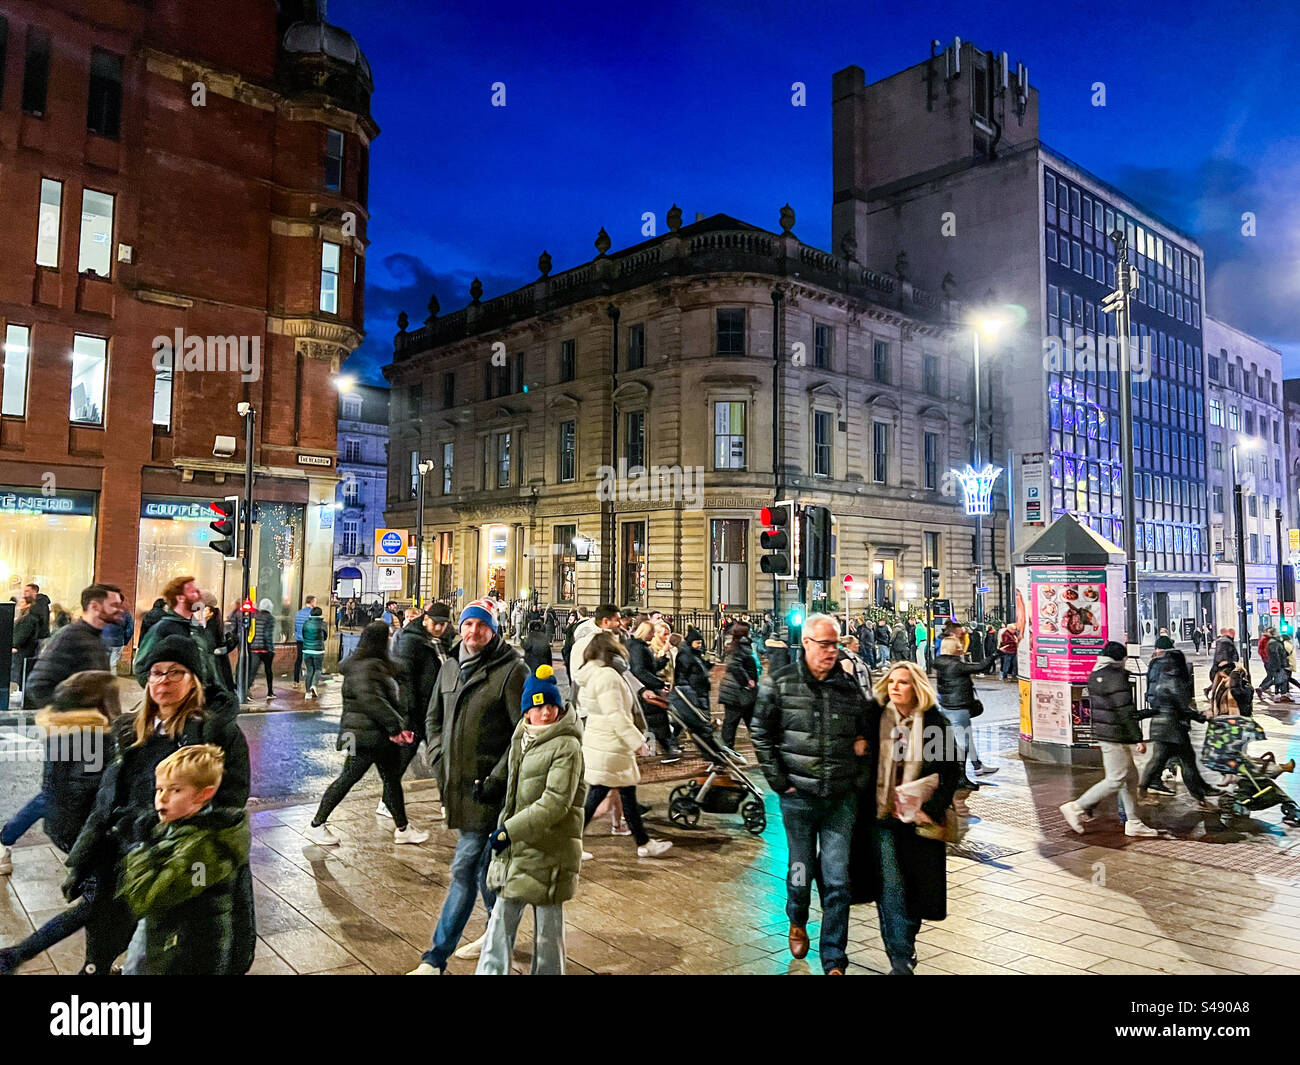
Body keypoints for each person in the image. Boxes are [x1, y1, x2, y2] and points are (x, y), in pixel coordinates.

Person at [63, 634, 253, 976]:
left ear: (194, 679)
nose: (163, 680)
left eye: (175, 672)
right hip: (125, 858)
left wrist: (152, 822)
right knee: (101, 953)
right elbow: (106, 798)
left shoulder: (215, 734)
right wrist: (83, 855)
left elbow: (229, 803)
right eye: (156, 672)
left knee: (166, 956)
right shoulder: (128, 730)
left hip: (175, 865)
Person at [409, 599, 528, 974]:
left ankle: (434, 959)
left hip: (490, 793)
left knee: (464, 867)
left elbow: (521, 734)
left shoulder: (511, 671)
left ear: (493, 629)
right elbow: (433, 721)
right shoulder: (449, 668)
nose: (473, 632)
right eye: (468, 624)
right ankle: (497, 934)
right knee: (482, 870)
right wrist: (441, 761)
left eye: (481, 625)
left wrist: (496, 778)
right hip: (457, 788)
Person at [753, 613, 869, 976]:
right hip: (799, 797)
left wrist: (857, 779)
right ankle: (797, 917)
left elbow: (865, 736)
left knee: (838, 879)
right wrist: (779, 781)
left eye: (836, 644)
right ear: (806, 643)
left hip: (839, 797)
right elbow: (761, 733)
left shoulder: (849, 687)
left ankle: (834, 957)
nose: (832, 652)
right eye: (824, 644)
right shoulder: (781, 683)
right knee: (800, 868)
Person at [0, 672, 122, 971]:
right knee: (97, 902)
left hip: (63, 827)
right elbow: (92, 790)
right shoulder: (93, 737)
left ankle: (96, 966)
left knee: (104, 902)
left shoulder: (65, 729)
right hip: (85, 831)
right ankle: (15, 956)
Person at [849, 660, 961, 975]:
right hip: (882, 817)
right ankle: (900, 959)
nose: (896, 687)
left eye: (904, 682)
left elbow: (952, 773)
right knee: (892, 889)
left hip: (918, 821)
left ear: (918, 688)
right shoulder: (874, 719)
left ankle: (906, 943)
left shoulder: (935, 725)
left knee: (917, 892)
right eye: (893, 681)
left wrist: (933, 807)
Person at [474, 664, 586, 975]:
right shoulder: (522, 735)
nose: (546, 713)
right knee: (502, 918)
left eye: (551, 705)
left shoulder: (567, 745)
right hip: (521, 847)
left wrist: (507, 831)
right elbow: (514, 787)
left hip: (551, 847)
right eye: (538, 706)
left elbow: (555, 803)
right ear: (526, 712)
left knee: (548, 929)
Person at [117, 745, 251, 974]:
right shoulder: (183, 828)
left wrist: (140, 847)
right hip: (167, 938)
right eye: (159, 789)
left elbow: (145, 898)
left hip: (180, 954)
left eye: (175, 790)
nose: (162, 798)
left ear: (203, 794)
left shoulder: (201, 849)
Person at [305, 621, 429, 847]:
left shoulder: (370, 664)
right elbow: (373, 701)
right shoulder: (367, 667)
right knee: (349, 779)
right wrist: (396, 727)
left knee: (391, 781)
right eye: (388, 636)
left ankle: (403, 828)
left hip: (375, 737)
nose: (391, 640)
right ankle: (317, 824)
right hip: (366, 737)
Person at [573, 632, 672, 860]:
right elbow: (616, 715)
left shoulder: (594, 673)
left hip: (605, 743)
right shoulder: (607, 676)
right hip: (610, 746)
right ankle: (571, 842)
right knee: (597, 796)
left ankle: (644, 842)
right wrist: (637, 742)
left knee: (626, 794)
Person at [1059, 641, 1159, 837]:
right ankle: (1076, 807)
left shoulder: (1096, 674)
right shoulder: (1116, 677)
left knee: (1129, 777)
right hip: (1115, 735)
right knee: (1115, 779)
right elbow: (1124, 710)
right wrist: (1137, 738)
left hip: (1108, 733)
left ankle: (1133, 821)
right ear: (1120, 659)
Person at [389, 602, 452, 811]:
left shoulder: (440, 641)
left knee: (440, 757)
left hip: (434, 710)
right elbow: (405, 681)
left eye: (445, 624)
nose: (441, 628)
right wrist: (406, 718)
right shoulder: (411, 641)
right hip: (417, 712)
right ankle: (387, 799)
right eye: (437, 624)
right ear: (426, 620)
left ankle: (447, 801)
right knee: (403, 759)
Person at [23, 583, 121, 709]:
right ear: (95, 606)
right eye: (114, 605)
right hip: (75, 726)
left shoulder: (97, 638)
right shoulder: (70, 637)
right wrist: (74, 714)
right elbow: (37, 686)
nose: (119, 610)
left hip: (93, 726)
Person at [1138, 648, 1214, 806]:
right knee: (1187, 762)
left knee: (1157, 761)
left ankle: (1142, 791)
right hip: (1174, 728)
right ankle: (1200, 797)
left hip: (1159, 726)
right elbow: (1183, 709)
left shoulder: (1161, 678)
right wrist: (1201, 716)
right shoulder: (1176, 681)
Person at [133, 576, 222, 690]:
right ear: (180, 598)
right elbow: (141, 667)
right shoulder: (163, 628)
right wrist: (163, 691)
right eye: (193, 592)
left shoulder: (197, 628)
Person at [933, 635, 998, 787]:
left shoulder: (941, 663)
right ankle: (960, 778)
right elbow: (980, 667)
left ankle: (978, 766)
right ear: (954, 649)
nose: (962, 648)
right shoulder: (955, 665)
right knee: (964, 743)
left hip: (946, 706)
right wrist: (995, 655)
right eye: (959, 646)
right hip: (958, 708)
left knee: (966, 738)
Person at [626, 620, 680, 762]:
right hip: (645, 689)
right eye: (651, 632)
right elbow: (640, 670)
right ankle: (667, 749)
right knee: (657, 718)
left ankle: (664, 748)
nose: (652, 635)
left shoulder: (640, 647)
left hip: (646, 687)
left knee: (654, 719)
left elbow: (649, 667)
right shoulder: (638, 648)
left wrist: (661, 661)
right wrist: (658, 683)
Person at [718, 621, 759, 753]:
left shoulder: (738, 645)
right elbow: (735, 666)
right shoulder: (741, 646)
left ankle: (726, 749)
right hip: (737, 692)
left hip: (737, 691)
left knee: (741, 721)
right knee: (733, 721)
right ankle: (725, 751)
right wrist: (747, 681)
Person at [11, 598, 40, 693]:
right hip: (22, 651)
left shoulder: (28, 619)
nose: (20, 605)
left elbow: (21, 637)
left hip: (22, 652)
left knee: (18, 677)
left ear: (29, 605)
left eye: (22, 602)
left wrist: (14, 645)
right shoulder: (25, 618)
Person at [100, 599, 133, 674]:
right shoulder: (126, 614)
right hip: (118, 642)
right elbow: (130, 630)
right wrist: (124, 641)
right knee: (114, 664)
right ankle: (112, 680)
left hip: (104, 641)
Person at [301, 606, 327, 699]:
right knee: (318, 669)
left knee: (309, 671)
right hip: (318, 651)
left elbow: (303, 635)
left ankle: (307, 693)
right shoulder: (323, 624)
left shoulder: (306, 623)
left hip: (306, 650)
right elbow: (324, 637)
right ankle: (314, 685)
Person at [293, 595, 317, 690]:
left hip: (299, 639)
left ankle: (296, 681)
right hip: (309, 640)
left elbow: (296, 627)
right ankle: (310, 682)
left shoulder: (298, 613)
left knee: (298, 660)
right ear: (311, 602)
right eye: (315, 602)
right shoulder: (312, 613)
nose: (315, 604)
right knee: (310, 661)